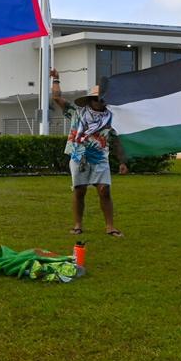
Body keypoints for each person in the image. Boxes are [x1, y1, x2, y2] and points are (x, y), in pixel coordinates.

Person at [50, 70, 129, 237]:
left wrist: (122, 161)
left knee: (104, 190)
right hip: (79, 156)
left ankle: (110, 226)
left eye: (101, 99)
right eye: (96, 98)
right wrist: (55, 79)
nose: (99, 101)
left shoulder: (110, 118)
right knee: (79, 190)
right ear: (90, 100)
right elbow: (56, 98)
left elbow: (115, 141)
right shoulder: (76, 113)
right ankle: (77, 225)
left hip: (100, 158)